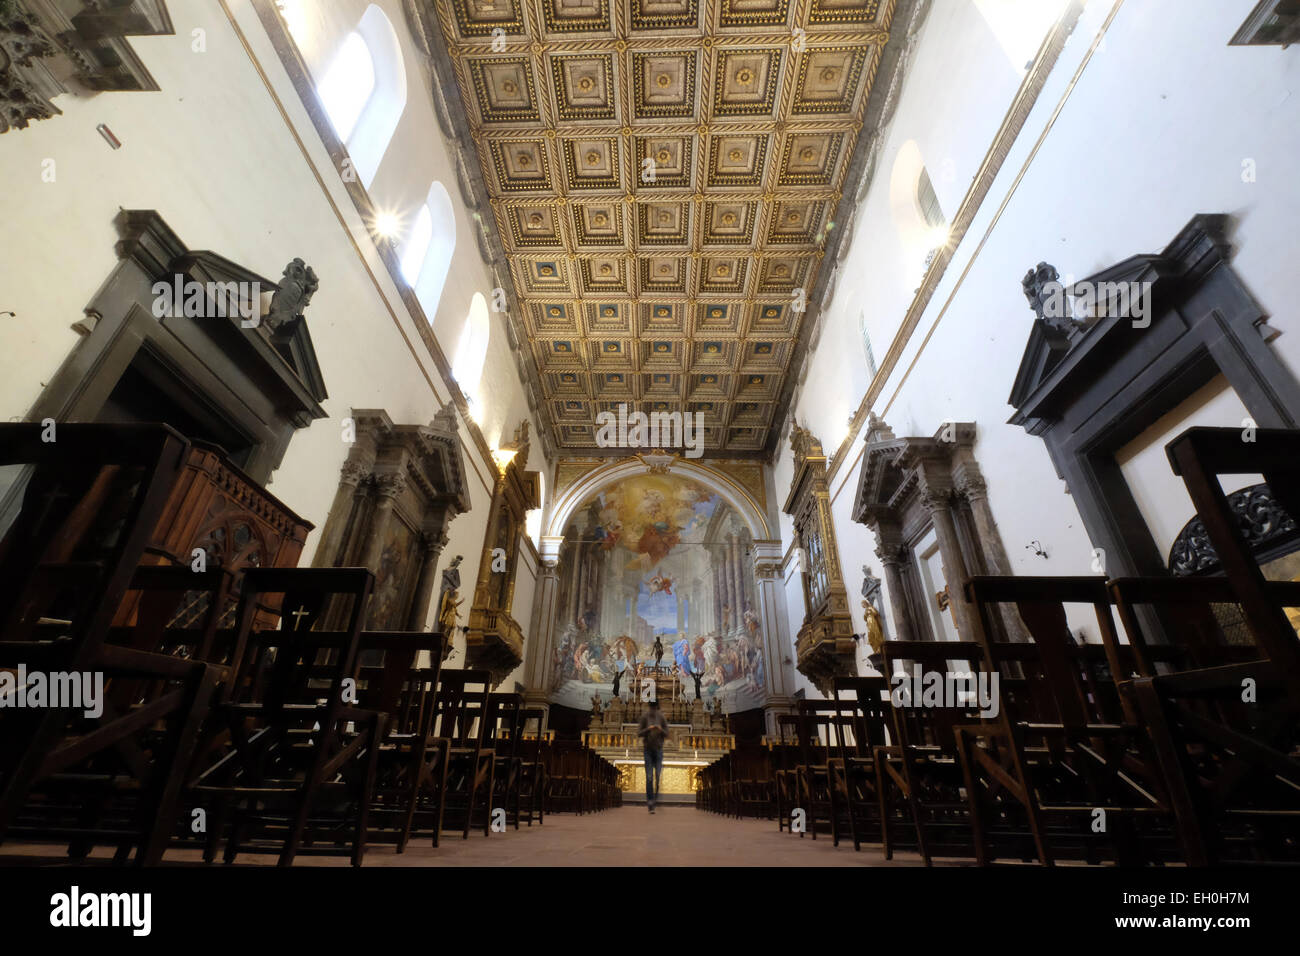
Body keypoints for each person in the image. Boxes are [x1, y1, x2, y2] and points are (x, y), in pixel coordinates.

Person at [637, 697, 670, 813]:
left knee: (657, 776)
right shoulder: (644, 717)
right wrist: (648, 729)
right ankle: (650, 802)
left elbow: (667, 733)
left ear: (657, 707)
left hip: (658, 749)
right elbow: (639, 733)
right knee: (649, 777)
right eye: (651, 707)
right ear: (649, 707)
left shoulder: (661, 717)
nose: (653, 710)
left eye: (654, 708)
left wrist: (661, 730)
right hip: (648, 750)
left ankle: (654, 798)